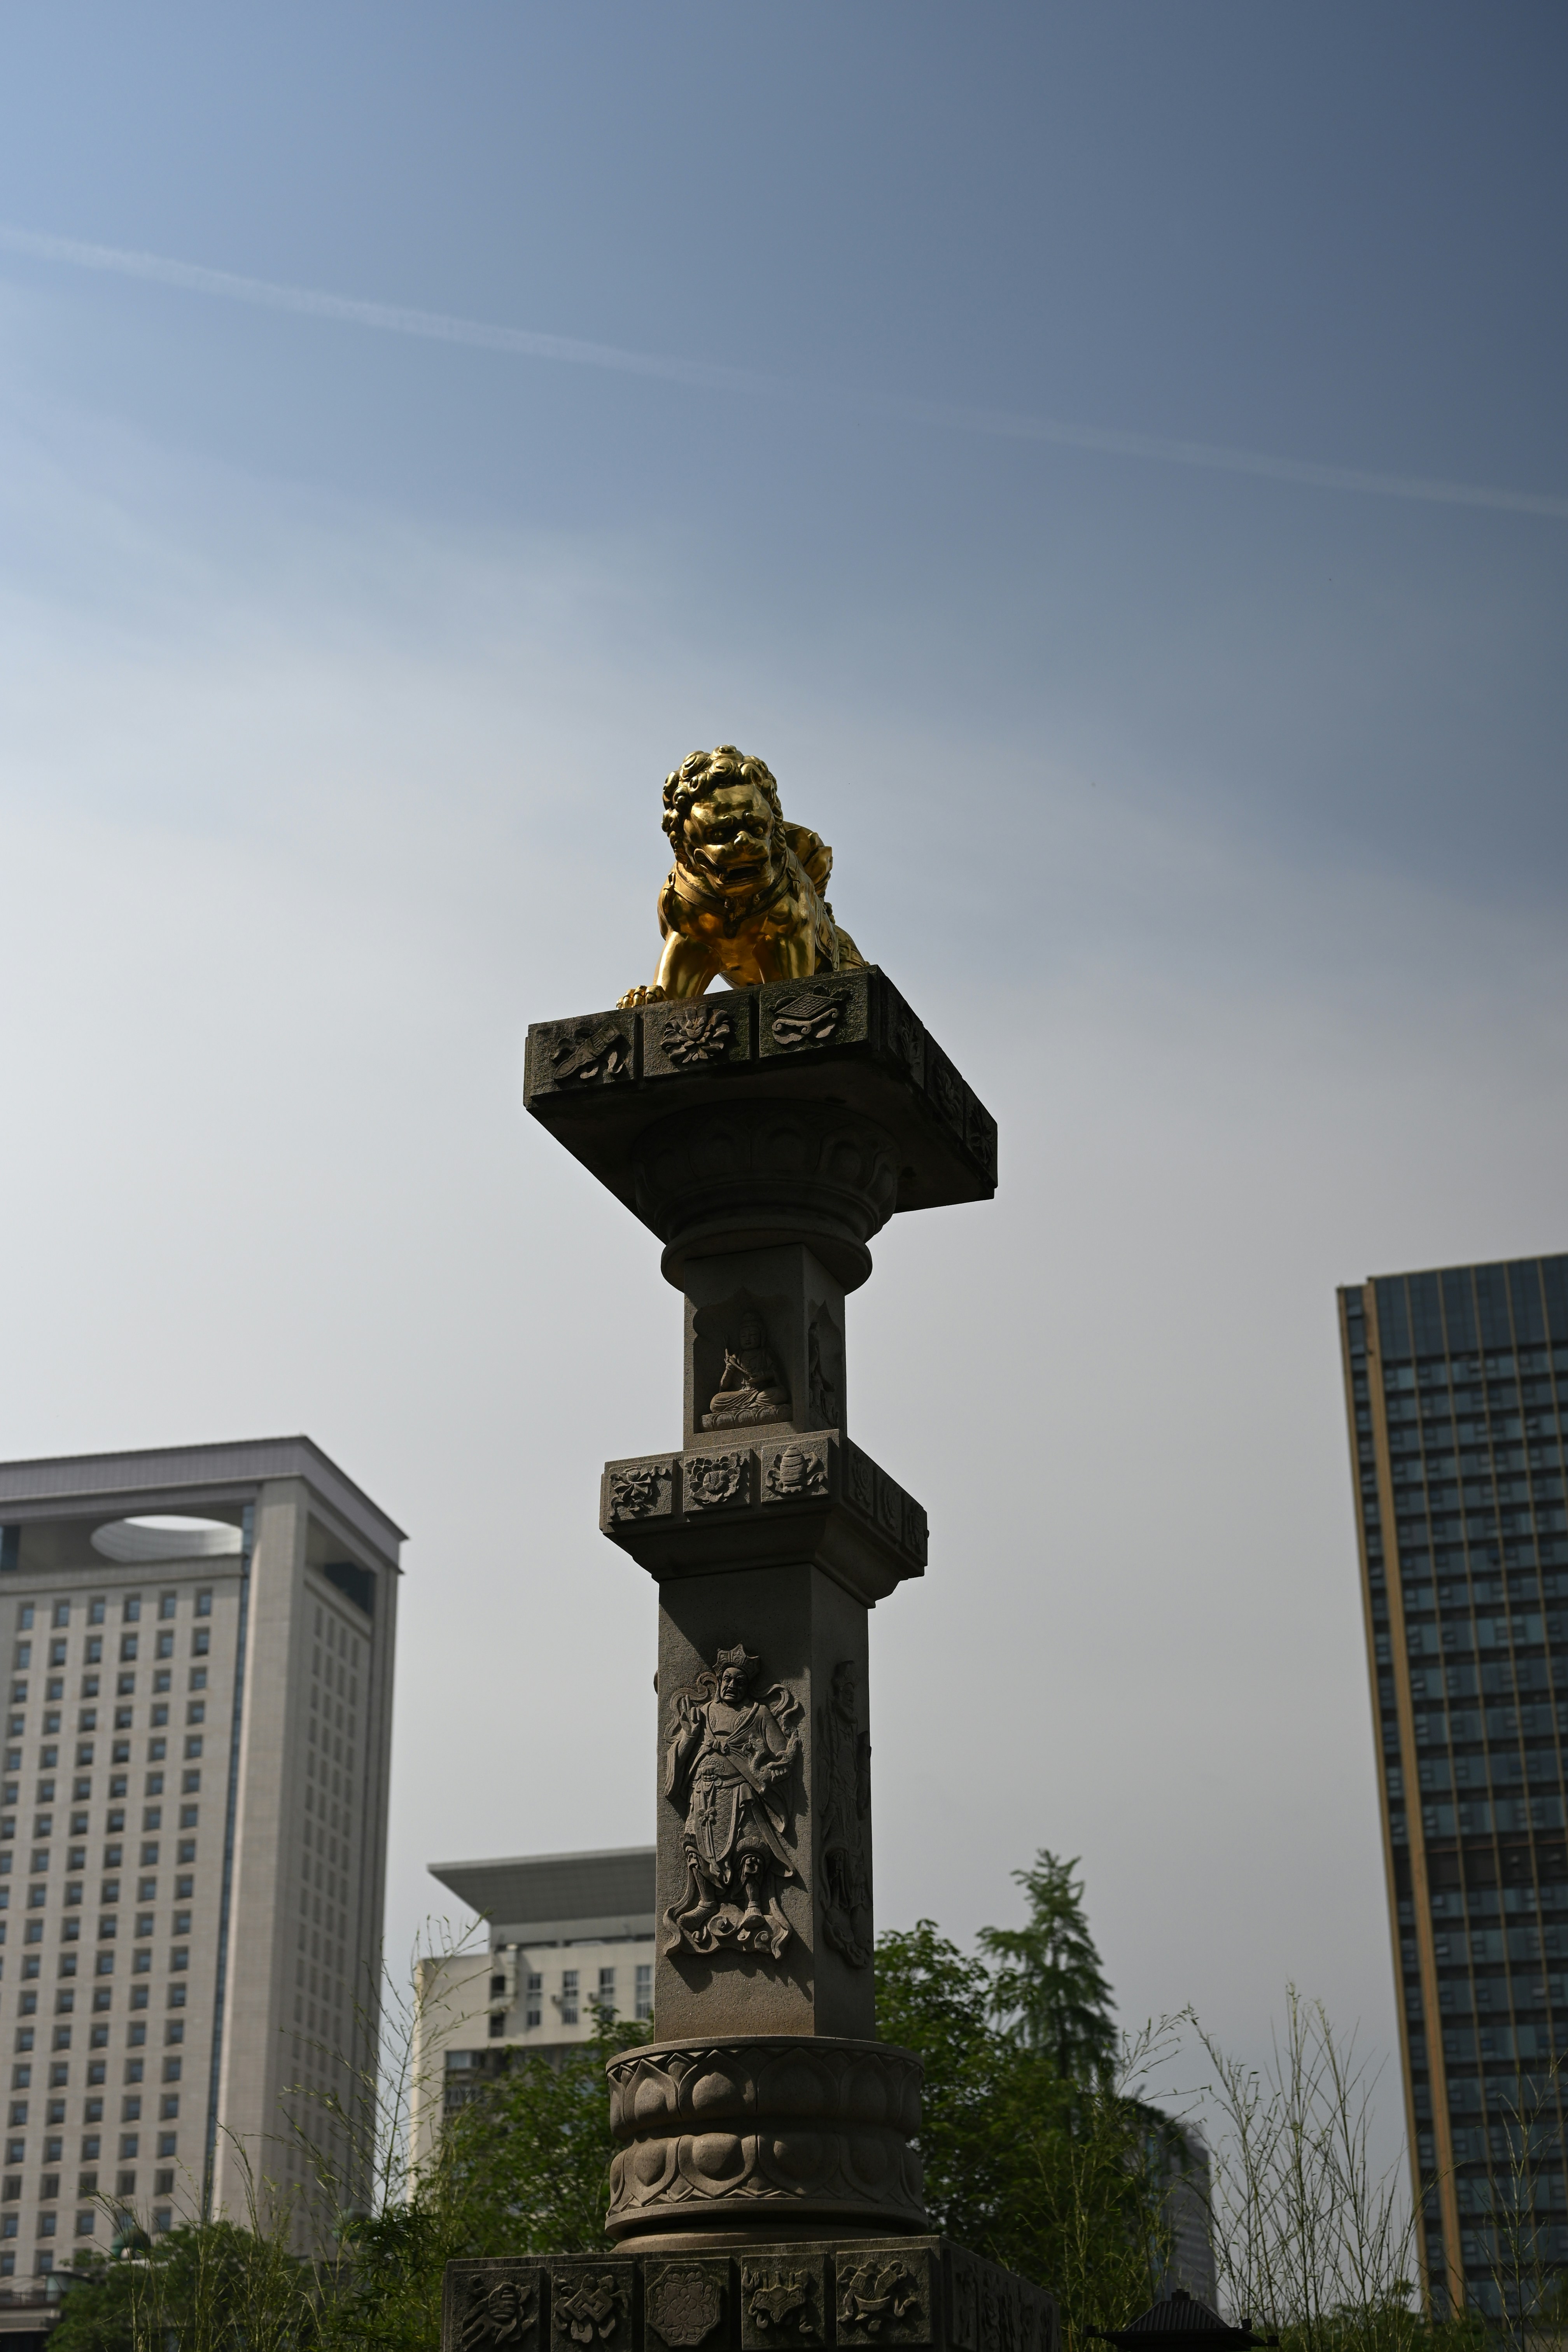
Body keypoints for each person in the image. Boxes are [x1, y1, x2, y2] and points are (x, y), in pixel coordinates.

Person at [663, 1646, 801, 1958]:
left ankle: (753, 1905)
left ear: (747, 1685)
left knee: (750, 1847)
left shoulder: (759, 1714)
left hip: (740, 1791)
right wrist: (690, 1735)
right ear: (718, 1681)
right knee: (693, 1845)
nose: (732, 1685)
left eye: (739, 1681)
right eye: (727, 1679)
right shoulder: (702, 1714)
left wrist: (762, 1765)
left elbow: (782, 1757)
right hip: (703, 1791)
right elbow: (678, 1759)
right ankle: (707, 1902)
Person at [705, 1312, 790, 1426]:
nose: (748, 1339)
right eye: (744, 1336)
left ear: (761, 1336)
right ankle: (752, 1409)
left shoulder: (765, 1353)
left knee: (781, 1394)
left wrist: (763, 1376)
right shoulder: (736, 1357)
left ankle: (749, 1409)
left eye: (753, 1335)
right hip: (740, 1395)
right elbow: (724, 1386)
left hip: (760, 1393)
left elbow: (776, 1372)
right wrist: (730, 1369)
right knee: (715, 1402)